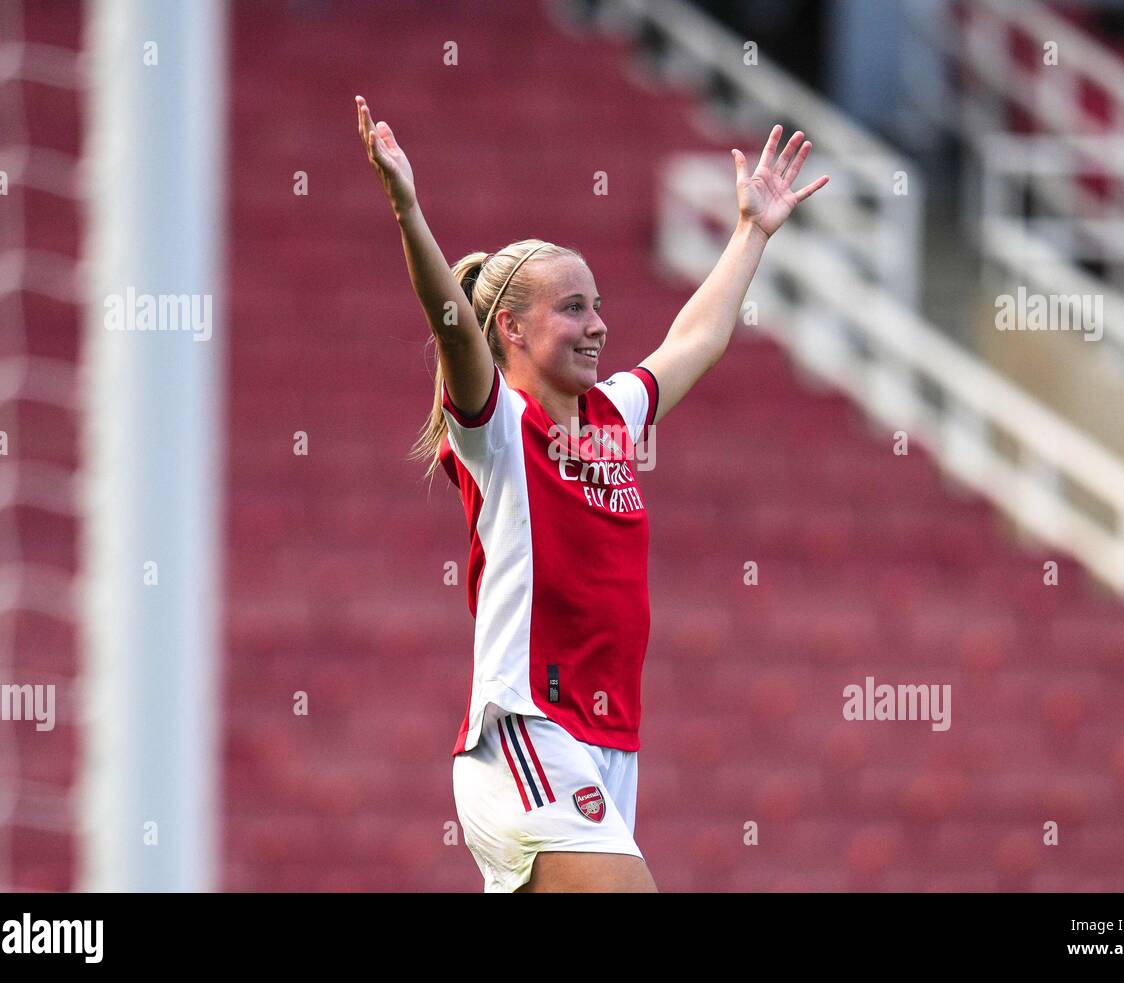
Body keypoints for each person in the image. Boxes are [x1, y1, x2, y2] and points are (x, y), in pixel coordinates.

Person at [355, 95, 828, 892]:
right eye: (573, 308)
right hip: (527, 734)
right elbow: (449, 326)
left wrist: (752, 231)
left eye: (599, 305)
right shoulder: (500, 426)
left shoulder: (614, 412)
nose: (599, 324)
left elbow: (697, 340)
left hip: (611, 742)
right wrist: (407, 209)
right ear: (510, 328)